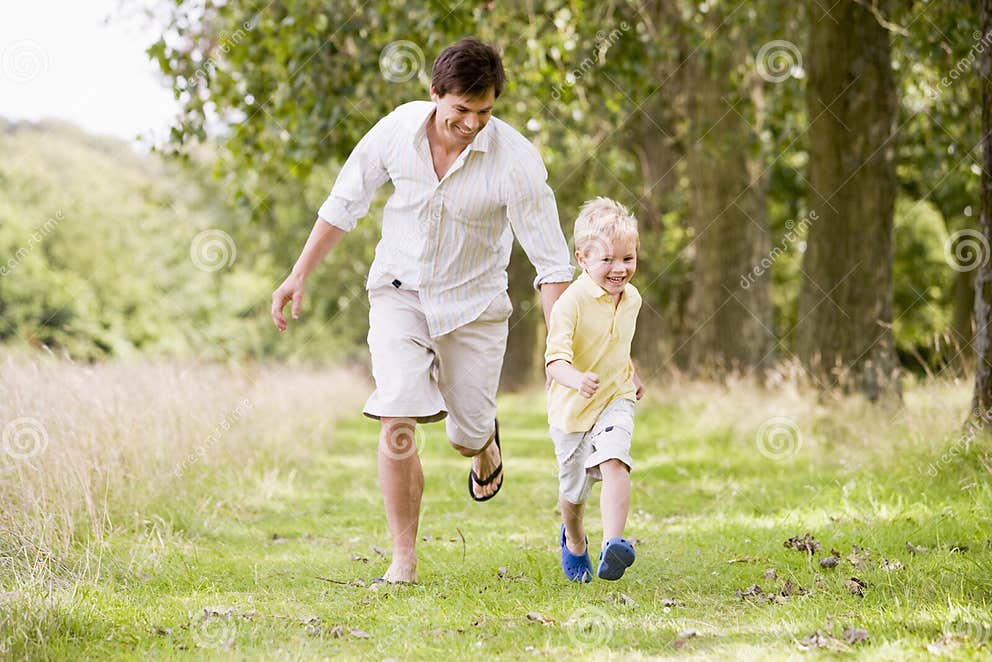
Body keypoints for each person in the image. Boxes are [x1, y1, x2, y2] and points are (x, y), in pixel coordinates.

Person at [270, 38, 573, 584]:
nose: (472, 124)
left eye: (485, 112)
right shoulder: (396, 131)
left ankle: (483, 442)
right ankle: (403, 561)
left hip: (474, 308)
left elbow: (551, 263)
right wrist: (299, 273)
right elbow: (345, 202)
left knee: (464, 436)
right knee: (397, 415)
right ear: (435, 94)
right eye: (462, 110)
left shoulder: (516, 160)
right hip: (400, 293)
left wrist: (559, 351)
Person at [544, 197, 644, 582]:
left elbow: (618, 344)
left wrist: (632, 374)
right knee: (574, 494)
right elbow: (554, 362)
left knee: (615, 459)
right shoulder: (569, 304)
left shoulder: (632, 298)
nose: (620, 269)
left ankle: (613, 544)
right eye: (608, 260)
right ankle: (574, 539)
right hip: (572, 412)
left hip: (615, 398)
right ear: (582, 258)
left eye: (628, 258)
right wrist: (576, 379)